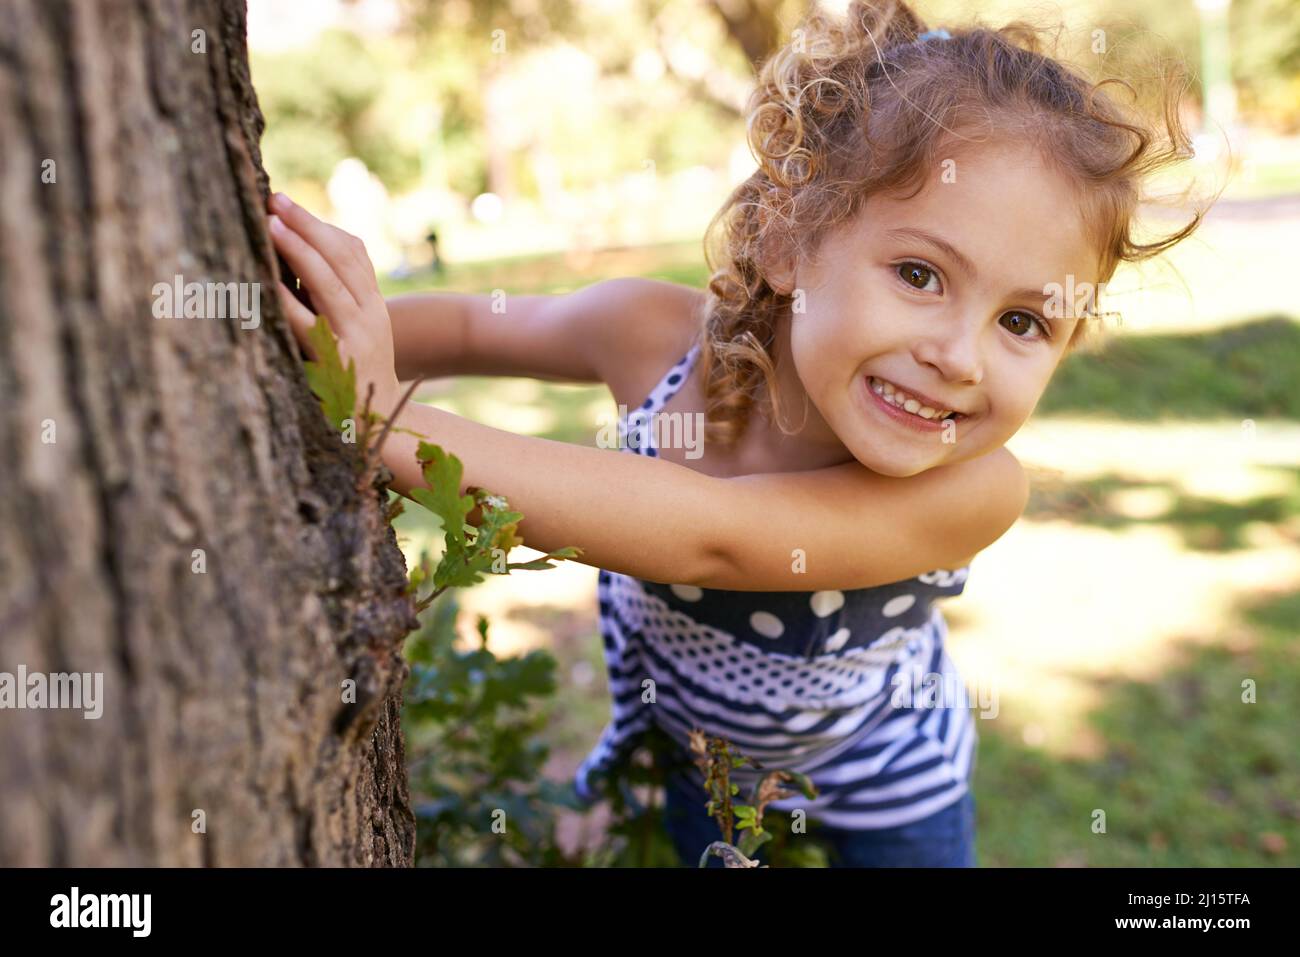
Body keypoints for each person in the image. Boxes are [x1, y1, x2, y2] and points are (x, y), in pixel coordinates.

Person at [264, 0, 1205, 867]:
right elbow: (477, 329)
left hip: (886, 794)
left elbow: (708, 534)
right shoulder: (648, 338)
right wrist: (321, 325)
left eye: (1024, 322)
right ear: (788, 237)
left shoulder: (974, 489)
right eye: (919, 274)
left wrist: (383, 416)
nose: (960, 356)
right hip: (700, 762)